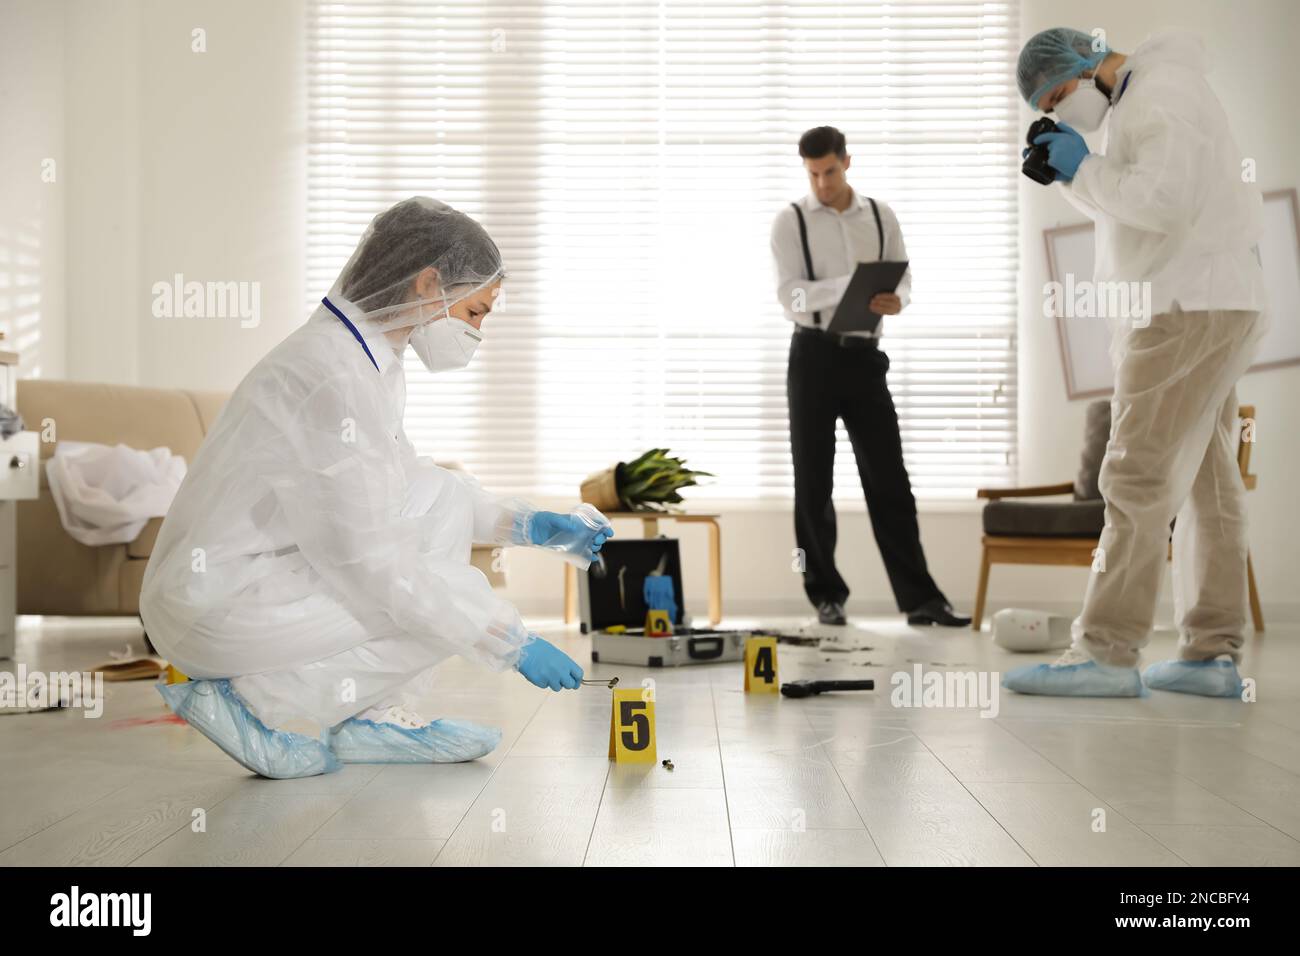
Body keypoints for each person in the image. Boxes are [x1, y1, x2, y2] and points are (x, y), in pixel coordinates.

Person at [141, 197, 613, 778]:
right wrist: (508, 641)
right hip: (216, 604)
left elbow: (417, 488)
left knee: (439, 512)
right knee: (438, 594)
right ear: (429, 283)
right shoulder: (332, 375)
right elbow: (378, 565)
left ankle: (371, 717)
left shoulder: (368, 357)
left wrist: (531, 525)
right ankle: (237, 699)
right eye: (475, 313)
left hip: (247, 577)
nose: (478, 333)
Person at [1003, 29, 1266, 698]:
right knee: (1209, 481)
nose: (1065, 114)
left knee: (1135, 473)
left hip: (1185, 307)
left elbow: (1162, 204)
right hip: (1210, 302)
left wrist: (1082, 166)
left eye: (1061, 97)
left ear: (1086, 62)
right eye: (1052, 112)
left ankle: (1107, 653)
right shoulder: (1146, 100)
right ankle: (1210, 655)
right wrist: (1071, 175)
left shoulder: (1160, 95)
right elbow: (1138, 207)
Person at [771, 126, 969, 629]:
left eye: (830, 171)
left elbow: (903, 278)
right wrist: (847, 285)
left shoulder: (881, 216)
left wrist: (896, 299)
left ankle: (922, 599)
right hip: (812, 358)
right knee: (813, 482)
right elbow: (789, 297)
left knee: (890, 481)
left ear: (847, 163)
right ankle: (826, 597)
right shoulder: (790, 222)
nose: (822, 184)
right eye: (813, 174)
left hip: (865, 358)